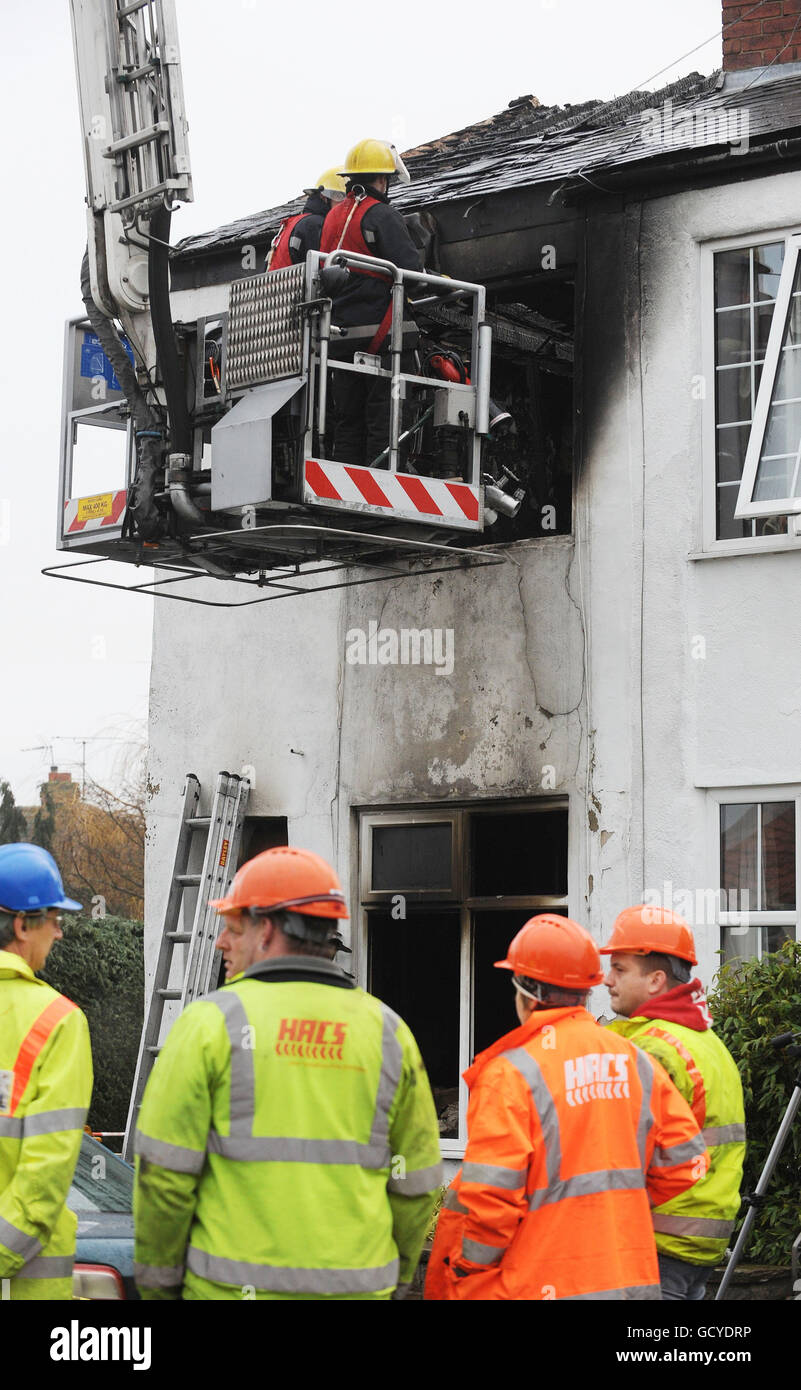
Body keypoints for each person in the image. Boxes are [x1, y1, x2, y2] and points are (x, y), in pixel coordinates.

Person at [133, 846, 442, 1300]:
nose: (221, 941)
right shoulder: (389, 1033)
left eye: (233, 927)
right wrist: (389, 1282)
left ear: (267, 931)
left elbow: (163, 1180)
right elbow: (415, 1188)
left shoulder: (208, 1026)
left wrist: (160, 1288)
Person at [425, 914, 708, 1301]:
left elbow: (490, 1200)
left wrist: (464, 1268)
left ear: (526, 991)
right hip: (627, 1281)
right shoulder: (635, 1060)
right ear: (587, 988)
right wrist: (616, 1206)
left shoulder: (512, 1073)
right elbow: (686, 1162)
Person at [601, 905, 745, 1301]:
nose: (606, 980)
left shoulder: (651, 1048)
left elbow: (619, 1156)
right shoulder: (707, 1042)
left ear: (656, 980)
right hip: (696, 1245)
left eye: (619, 969)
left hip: (656, 1244)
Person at [0, 843, 92, 1301]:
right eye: (54, 919)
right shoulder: (57, 1021)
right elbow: (43, 1179)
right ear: (21, 924)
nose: (58, 933)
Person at [319, 138, 421, 467]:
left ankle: (346, 479)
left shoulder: (333, 216)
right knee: (386, 413)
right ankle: (382, 481)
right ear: (380, 179)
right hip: (381, 332)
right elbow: (413, 272)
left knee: (348, 418)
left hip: (338, 334)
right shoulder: (382, 215)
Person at [266, 168, 346, 270]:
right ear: (324, 197)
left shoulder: (297, 222)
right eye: (340, 197)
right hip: (295, 284)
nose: (344, 205)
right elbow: (321, 270)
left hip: (281, 283)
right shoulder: (315, 224)